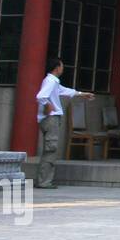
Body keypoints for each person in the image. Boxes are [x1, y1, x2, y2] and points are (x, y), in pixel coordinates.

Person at [35, 57, 94, 189]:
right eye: (61, 66)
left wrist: (81, 94)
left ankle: (44, 180)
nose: (63, 68)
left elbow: (64, 91)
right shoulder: (50, 81)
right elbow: (40, 97)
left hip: (51, 118)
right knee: (51, 149)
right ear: (57, 68)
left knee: (50, 149)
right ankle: (44, 181)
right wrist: (48, 105)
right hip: (51, 118)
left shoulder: (53, 81)